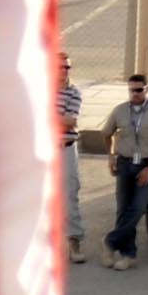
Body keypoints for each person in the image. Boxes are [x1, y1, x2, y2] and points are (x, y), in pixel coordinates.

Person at [100, 73, 148, 272]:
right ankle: (128, 255)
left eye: (139, 90)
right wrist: (111, 156)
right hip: (124, 163)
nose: (135, 94)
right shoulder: (120, 110)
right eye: (131, 90)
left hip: (145, 165)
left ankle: (110, 241)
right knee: (123, 209)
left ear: (147, 89)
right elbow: (106, 133)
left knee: (138, 208)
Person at [57, 54, 85, 264]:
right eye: (60, 67)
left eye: (67, 67)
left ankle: (73, 242)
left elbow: (70, 120)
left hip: (65, 148)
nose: (64, 71)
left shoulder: (74, 93)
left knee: (69, 195)